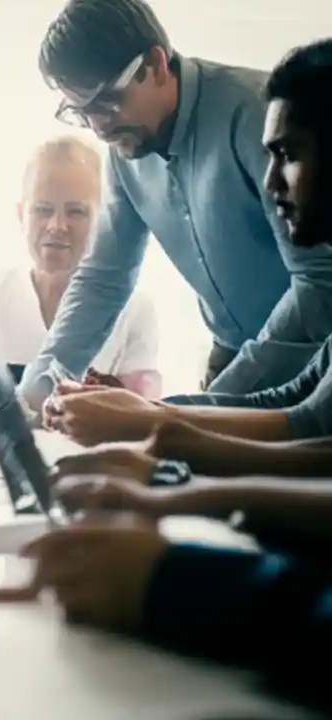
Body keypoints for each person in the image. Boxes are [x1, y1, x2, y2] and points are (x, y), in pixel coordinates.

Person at [28, 43, 332, 705]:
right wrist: (161, 453)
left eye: (288, 155)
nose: (270, 183)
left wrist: (169, 566)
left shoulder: (241, 108)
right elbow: (310, 427)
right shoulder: (126, 154)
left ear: (156, 65)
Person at [18, 0, 332, 415]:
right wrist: (36, 391)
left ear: (156, 64)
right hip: (232, 358)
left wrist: (194, 409)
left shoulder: (254, 114)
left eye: (107, 102)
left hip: (310, 361)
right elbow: (103, 279)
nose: (99, 127)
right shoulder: (124, 149)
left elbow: (318, 279)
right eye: (80, 112)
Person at [0, 135, 160, 400]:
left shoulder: (136, 309)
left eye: (75, 212)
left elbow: (142, 410)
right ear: (21, 215)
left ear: (103, 219)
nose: (57, 226)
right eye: (43, 210)